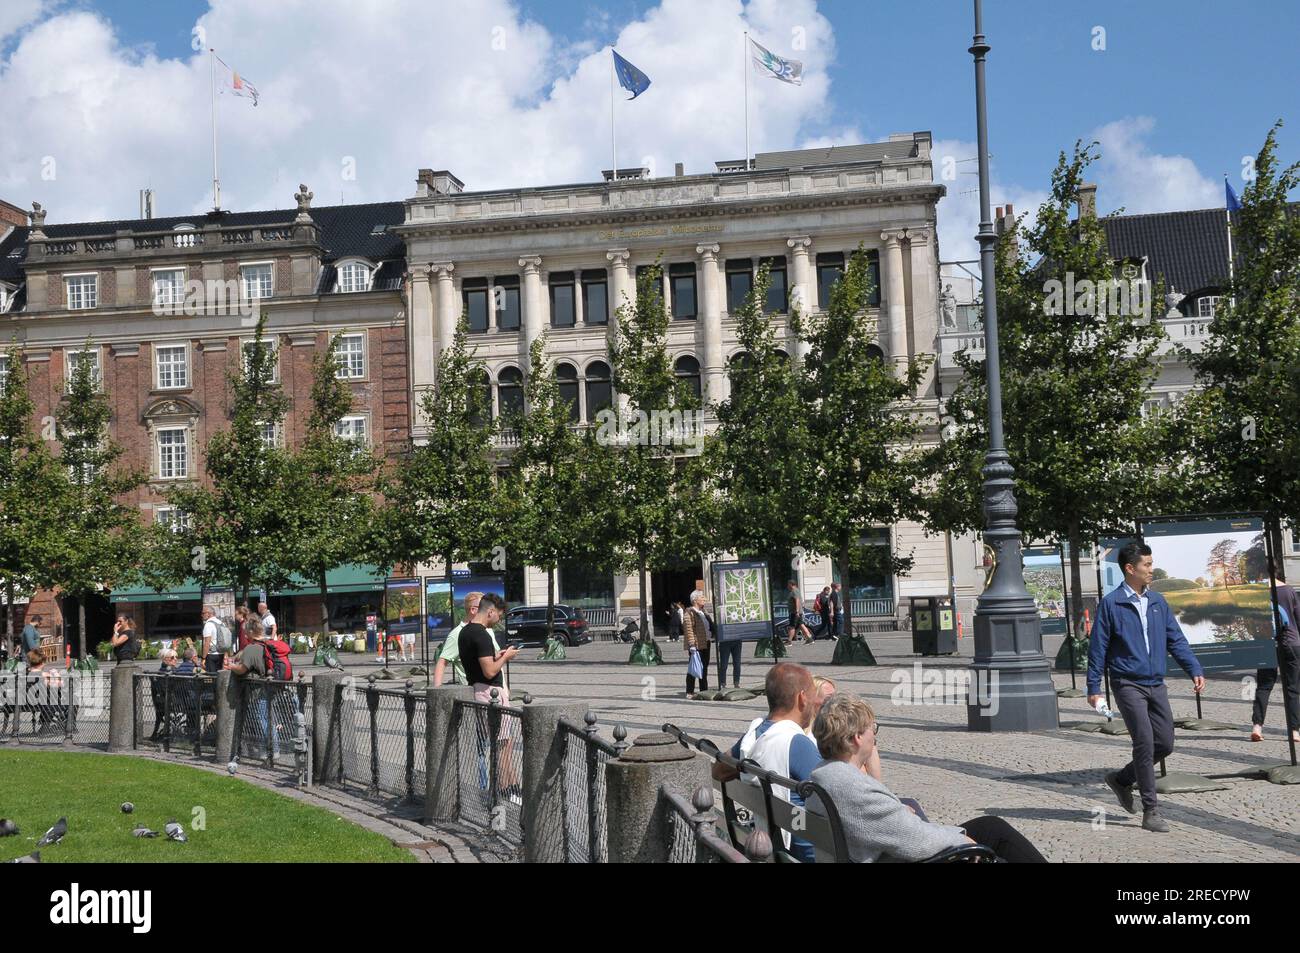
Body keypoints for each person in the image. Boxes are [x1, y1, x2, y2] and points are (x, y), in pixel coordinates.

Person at [808, 693, 1046, 862]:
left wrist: (898, 812)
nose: (874, 736)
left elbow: (884, 824)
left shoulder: (824, 775)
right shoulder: (852, 787)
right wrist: (963, 840)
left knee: (990, 826)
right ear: (857, 738)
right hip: (908, 856)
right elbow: (917, 840)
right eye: (872, 728)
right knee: (992, 835)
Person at [1089, 541, 1205, 834]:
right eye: (1147, 565)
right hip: (1127, 683)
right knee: (1144, 741)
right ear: (1130, 569)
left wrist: (1193, 668)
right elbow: (1098, 648)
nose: (1152, 570)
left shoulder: (1158, 602)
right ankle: (1151, 810)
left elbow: (1175, 639)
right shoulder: (1111, 604)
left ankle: (1121, 779)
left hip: (1156, 683)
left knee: (1165, 743)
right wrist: (1094, 687)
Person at [712, 663, 822, 862]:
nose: (816, 704)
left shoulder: (755, 735)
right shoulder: (796, 744)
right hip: (804, 854)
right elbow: (837, 800)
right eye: (814, 696)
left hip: (770, 845)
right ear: (802, 698)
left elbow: (719, 771)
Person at [459, 593, 521, 793]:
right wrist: (506, 657)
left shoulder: (465, 632)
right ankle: (506, 788)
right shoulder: (482, 634)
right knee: (502, 744)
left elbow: (479, 663)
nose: (499, 620)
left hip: (478, 689)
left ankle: (510, 785)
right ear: (491, 611)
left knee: (503, 742)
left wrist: (496, 656)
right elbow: (489, 671)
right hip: (490, 692)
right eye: (499, 616)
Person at [1250, 567, 1300, 744]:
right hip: (1290, 642)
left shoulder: (1257, 593)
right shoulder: (1289, 590)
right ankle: (1294, 731)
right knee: (1292, 688)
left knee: (1264, 686)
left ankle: (1257, 726)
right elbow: (1298, 618)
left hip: (1266, 644)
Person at [433, 592, 484, 686]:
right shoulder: (457, 634)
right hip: (473, 696)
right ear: (473, 610)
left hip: (494, 694)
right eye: (484, 607)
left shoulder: (487, 629)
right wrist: (437, 692)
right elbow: (442, 662)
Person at [683, 589, 713, 696]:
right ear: (695, 600)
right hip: (696, 645)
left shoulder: (704, 611)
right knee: (694, 667)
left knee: (704, 667)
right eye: (702, 597)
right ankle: (689, 691)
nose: (704, 599)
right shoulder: (689, 612)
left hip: (706, 643)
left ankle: (703, 690)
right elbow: (689, 630)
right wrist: (691, 645)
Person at [785, 582, 813, 646]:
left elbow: (797, 600)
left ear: (792, 585)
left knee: (792, 626)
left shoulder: (794, 591)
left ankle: (789, 641)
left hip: (795, 612)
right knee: (801, 625)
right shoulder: (797, 591)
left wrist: (797, 611)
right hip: (798, 612)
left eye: (788, 585)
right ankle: (810, 639)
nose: (787, 587)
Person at [199, 607, 225, 674]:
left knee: (211, 678)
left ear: (209, 614)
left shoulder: (208, 625)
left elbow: (207, 643)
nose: (201, 615)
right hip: (221, 654)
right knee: (219, 676)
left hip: (211, 655)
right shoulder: (221, 623)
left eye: (203, 613)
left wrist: (203, 658)